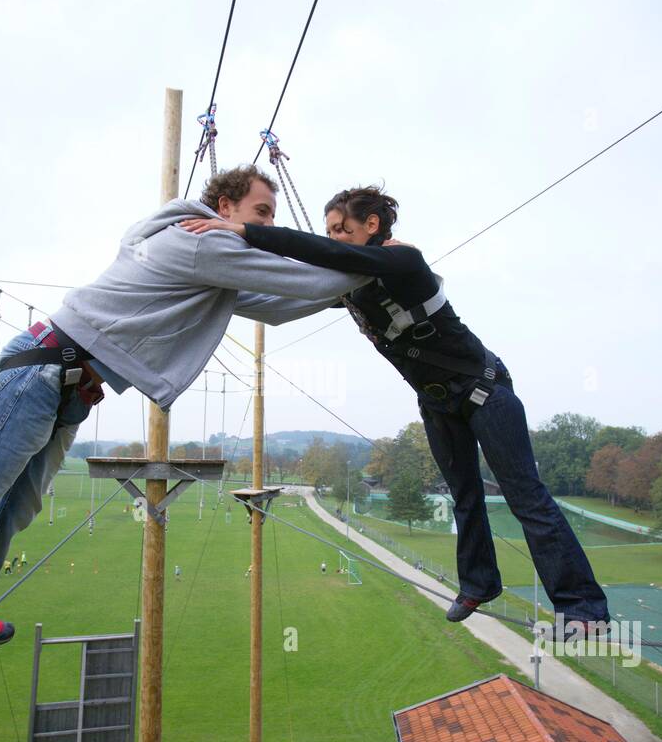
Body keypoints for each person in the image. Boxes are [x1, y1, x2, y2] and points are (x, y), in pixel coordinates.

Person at [0, 165, 371, 725]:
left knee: (10, 508)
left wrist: (350, 286)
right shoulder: (198, 240)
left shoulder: (211, 261)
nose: (266, 224)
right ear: (224, 207)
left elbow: (286, 303)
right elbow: (303, 276)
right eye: (261, 211)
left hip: (61, 389)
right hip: (39, 378)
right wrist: (383, 264)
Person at [180, 186, 610, 635]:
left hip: (485, 391)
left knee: (526, 498)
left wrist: (244, 230)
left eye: (343, 229)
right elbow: (283, 299)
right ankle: (480, 583)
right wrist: (213, 287)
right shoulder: (351, 286)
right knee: (464, 496)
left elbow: (317, 252)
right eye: (329, 231)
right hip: (438, 402)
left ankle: (583, 608)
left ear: (373, 225)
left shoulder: (404, 262)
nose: (334, 239)